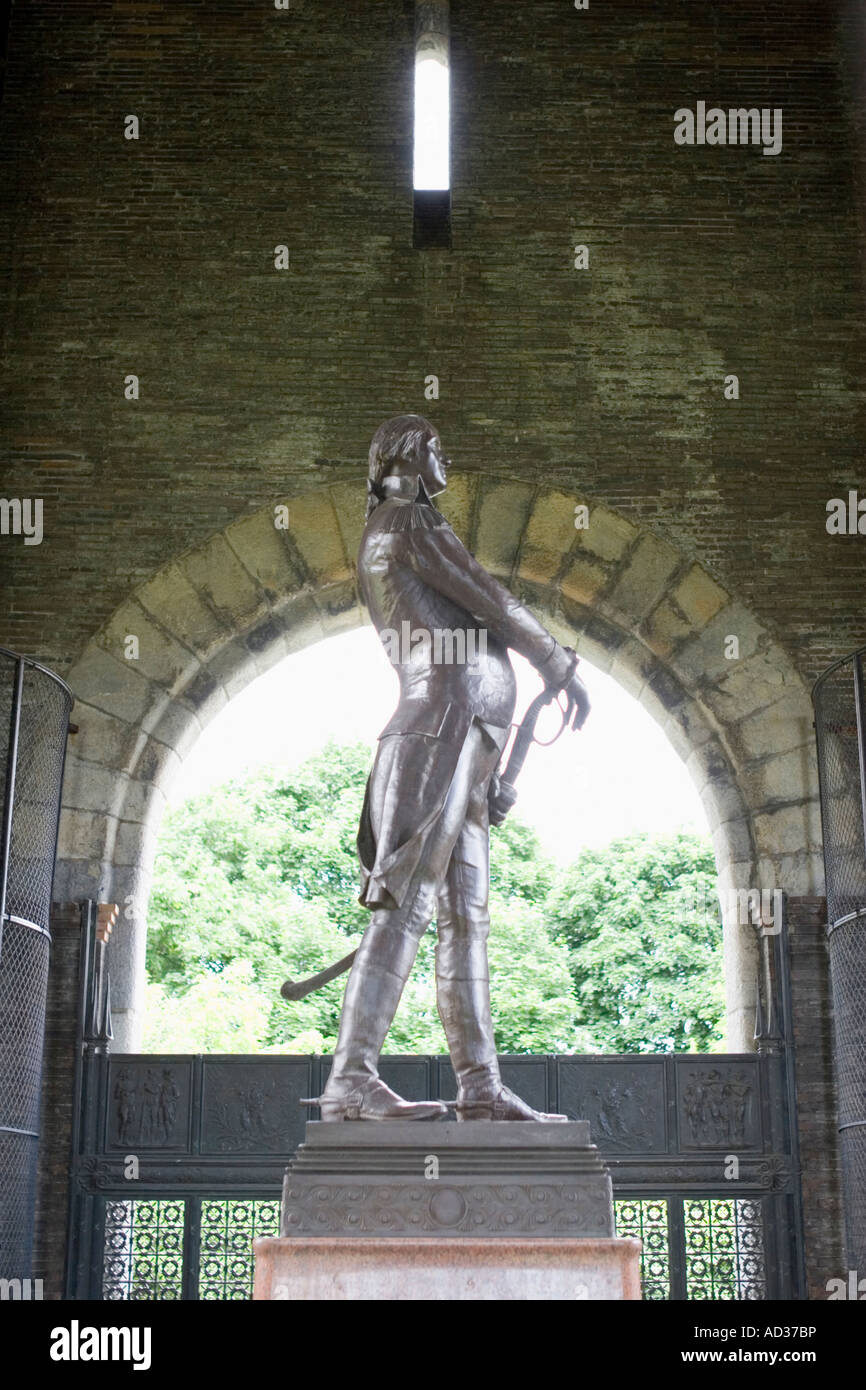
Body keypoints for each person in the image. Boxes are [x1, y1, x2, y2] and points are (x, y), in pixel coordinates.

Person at [314, 415, 590, 1121]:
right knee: (405, 905)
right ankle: (351, 1077)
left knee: (466, 917)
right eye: (436, 445)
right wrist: (556, 661)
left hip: (462, 736)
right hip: (438, 730)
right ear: (407, 452)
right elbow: (488, 599)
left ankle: (481, 1088)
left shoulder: (401, 525)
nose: (446, 457)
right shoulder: (408, 523)